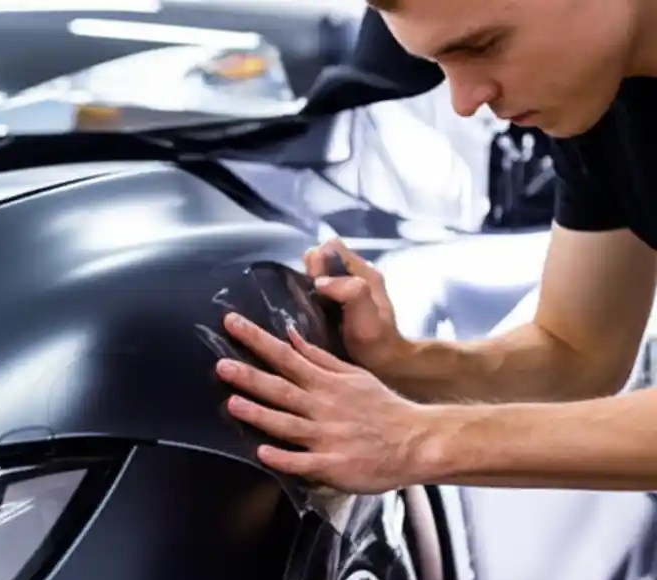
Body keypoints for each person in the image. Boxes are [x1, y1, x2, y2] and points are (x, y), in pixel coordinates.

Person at [214, 0, 657, 494]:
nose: (465, 101)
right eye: (436, 64)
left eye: (484, 45)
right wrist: (404, 363)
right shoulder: (598, 100)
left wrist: (419, 441)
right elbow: (579, 353)